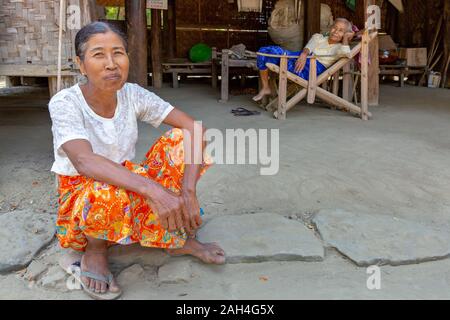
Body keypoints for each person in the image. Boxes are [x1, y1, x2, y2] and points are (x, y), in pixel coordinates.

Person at [49, 21, 225, 299]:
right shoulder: (65, 103)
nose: (111, 64)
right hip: (85, 196)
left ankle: (174, 238)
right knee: (107, 188)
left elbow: (195, 129)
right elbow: (84, 161)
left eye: (118, 53)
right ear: (80, 65)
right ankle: (95, 250)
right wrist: (155, 190)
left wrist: (188, 190)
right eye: (98, 55)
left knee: (181, 141)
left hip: (128, 182)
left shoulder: (132, 94)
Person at [253, 18, 355, 102]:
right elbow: (309, 46)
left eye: (341, 31)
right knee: (263, 51)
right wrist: (304, 54)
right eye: (335, 28)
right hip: (300, 59)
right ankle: (265, 87)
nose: (336, 32)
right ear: (330, 28)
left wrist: (346, 38)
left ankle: (268, 88)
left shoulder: (340, 48)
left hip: (309, 70)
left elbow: (346, 54)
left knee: (272, 54)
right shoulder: (319, 37)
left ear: (345, 34)